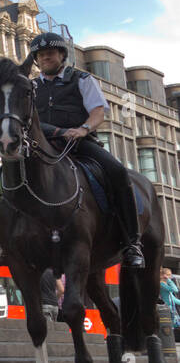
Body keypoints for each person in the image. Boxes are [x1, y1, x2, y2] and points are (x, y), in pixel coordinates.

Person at [27, 31, 145, 267]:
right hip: (42, 146)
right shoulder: (30, 87)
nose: (45, 59)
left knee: (118, 172)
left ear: (61, 55)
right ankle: (7, 242)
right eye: (40, 55)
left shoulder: (82, 79)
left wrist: (83, 129)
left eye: (50, 53)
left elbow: (98, 112)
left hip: (78, 143)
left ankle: (132, 242)